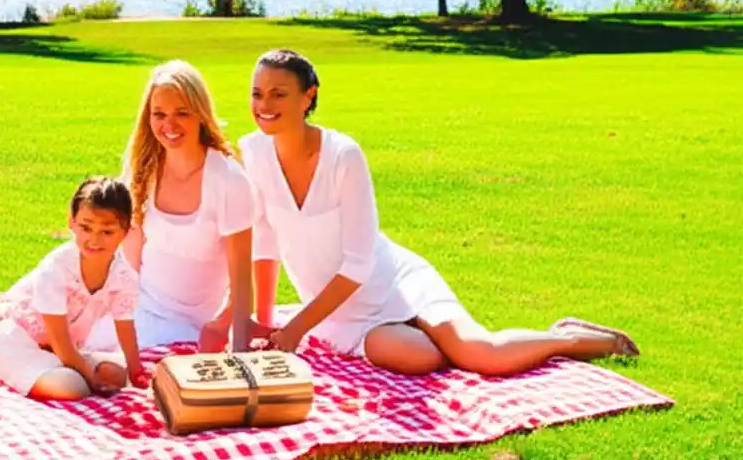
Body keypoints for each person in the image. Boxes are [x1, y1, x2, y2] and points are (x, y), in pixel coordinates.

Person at [241, 48, 640, 376]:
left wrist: (296, 328)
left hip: (392, 281)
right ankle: (442, 337)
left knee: (481, 356)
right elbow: (264, 242)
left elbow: (359, 264)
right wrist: (264, 321)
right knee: (420, 359)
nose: (265, 105)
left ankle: (567, 337)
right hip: (341, 316)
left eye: (278, 93)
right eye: (257, 94)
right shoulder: (254, 152)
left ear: (308, 96)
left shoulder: (343, 155)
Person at [86, 60, 261, 353]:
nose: (169, 125)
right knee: (55, 322)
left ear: (201, 114)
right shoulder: (146, 172)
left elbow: (243, 285)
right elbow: (130, 260)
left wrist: (235, 344)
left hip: (184, 330)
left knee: (93, 367)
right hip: (136, 306)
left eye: (182, 113)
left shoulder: (229, 180)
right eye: (159, 114)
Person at [0, 177, 147, 399]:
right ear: (71, 222)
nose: (94, 240)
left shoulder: (124, 277)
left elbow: (125, 328)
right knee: (73, 387)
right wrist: (90, 376)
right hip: (25, 347)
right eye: (86, 228)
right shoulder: (56, 268)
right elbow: (61, 343)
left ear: (125, 232)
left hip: (65, 351)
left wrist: (136, 373)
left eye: (107, 232)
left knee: (116, 375)